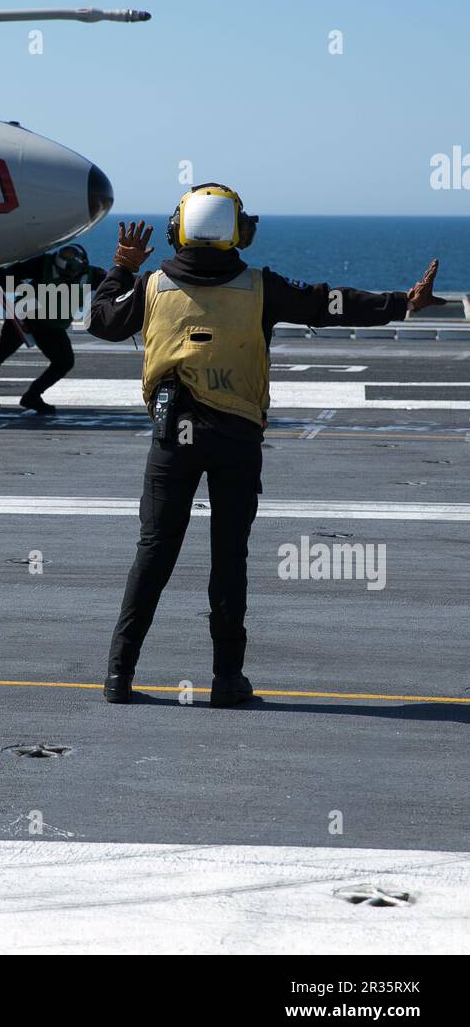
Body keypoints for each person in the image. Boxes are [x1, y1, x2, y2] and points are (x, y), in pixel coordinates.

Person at [87, 184, 445, 707]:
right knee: (229, 559)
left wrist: (121, 266)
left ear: (176, 230)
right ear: (237, 232)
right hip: (235, 438)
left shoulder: (152, 286)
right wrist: (402, 303)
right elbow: (329, 304)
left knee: (154, 554)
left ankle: (119, 676)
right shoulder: (261, 288)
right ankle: (226, 681)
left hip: (173, 440)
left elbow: (101, 321)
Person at [0, 245, 106, 414]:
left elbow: (115, 282)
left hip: (50, 325)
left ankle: (30, 395)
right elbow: (6, 276)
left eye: (72, 274)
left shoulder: (91, 274)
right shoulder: (43, 264)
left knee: (63, 362)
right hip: (26, 316)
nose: (68, 276)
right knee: (4, 349)